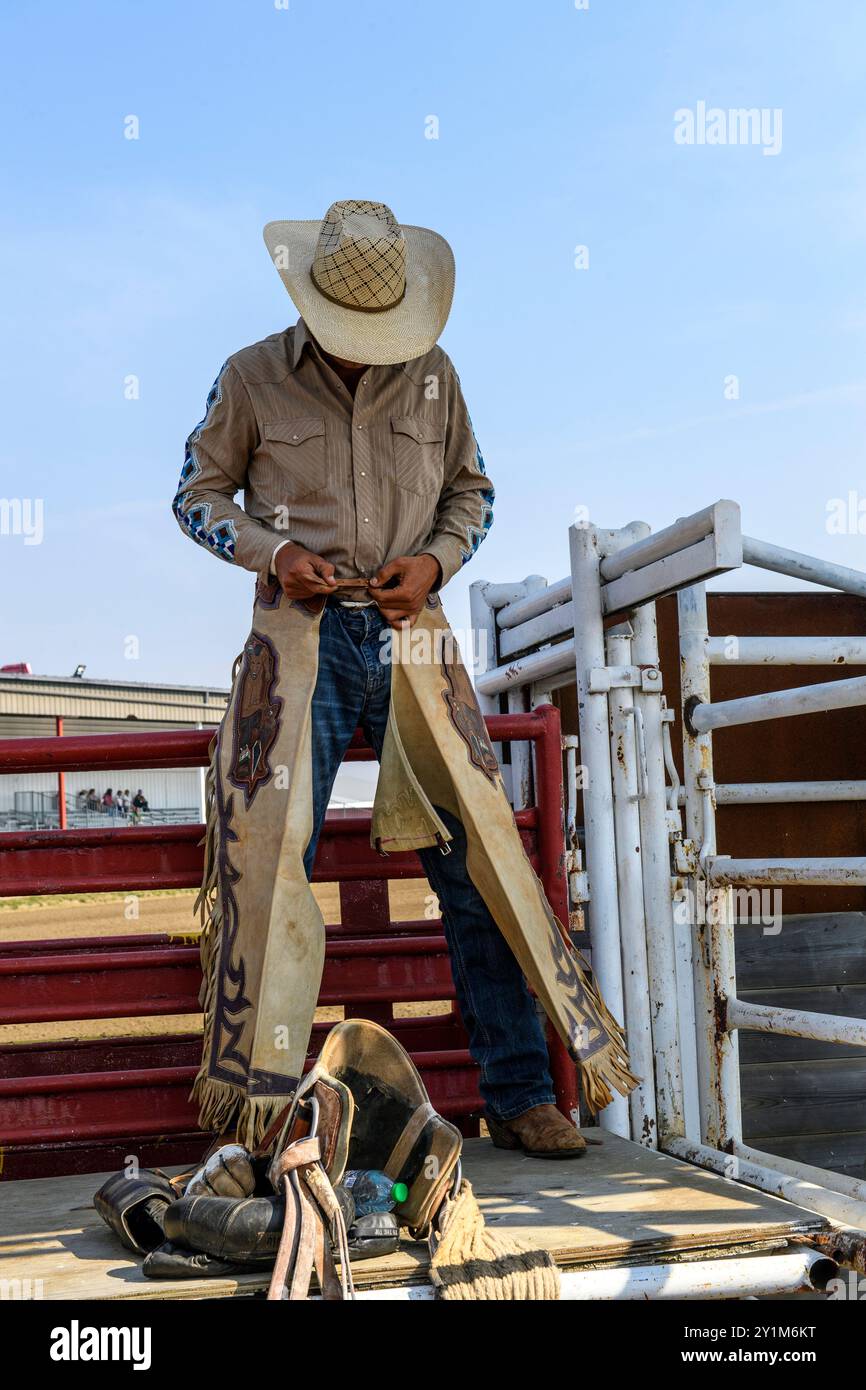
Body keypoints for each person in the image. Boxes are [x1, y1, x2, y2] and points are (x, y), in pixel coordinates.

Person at [172, 200, 606, 1159]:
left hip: (415, 634)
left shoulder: (437, 377)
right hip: (301, 640)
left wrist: (440, 564)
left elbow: (473, 492)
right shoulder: (249, 377)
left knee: (477, 864)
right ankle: (266, 1115)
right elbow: (195, 494)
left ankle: (521, 1094)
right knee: (276, 866)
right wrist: (274, 550)